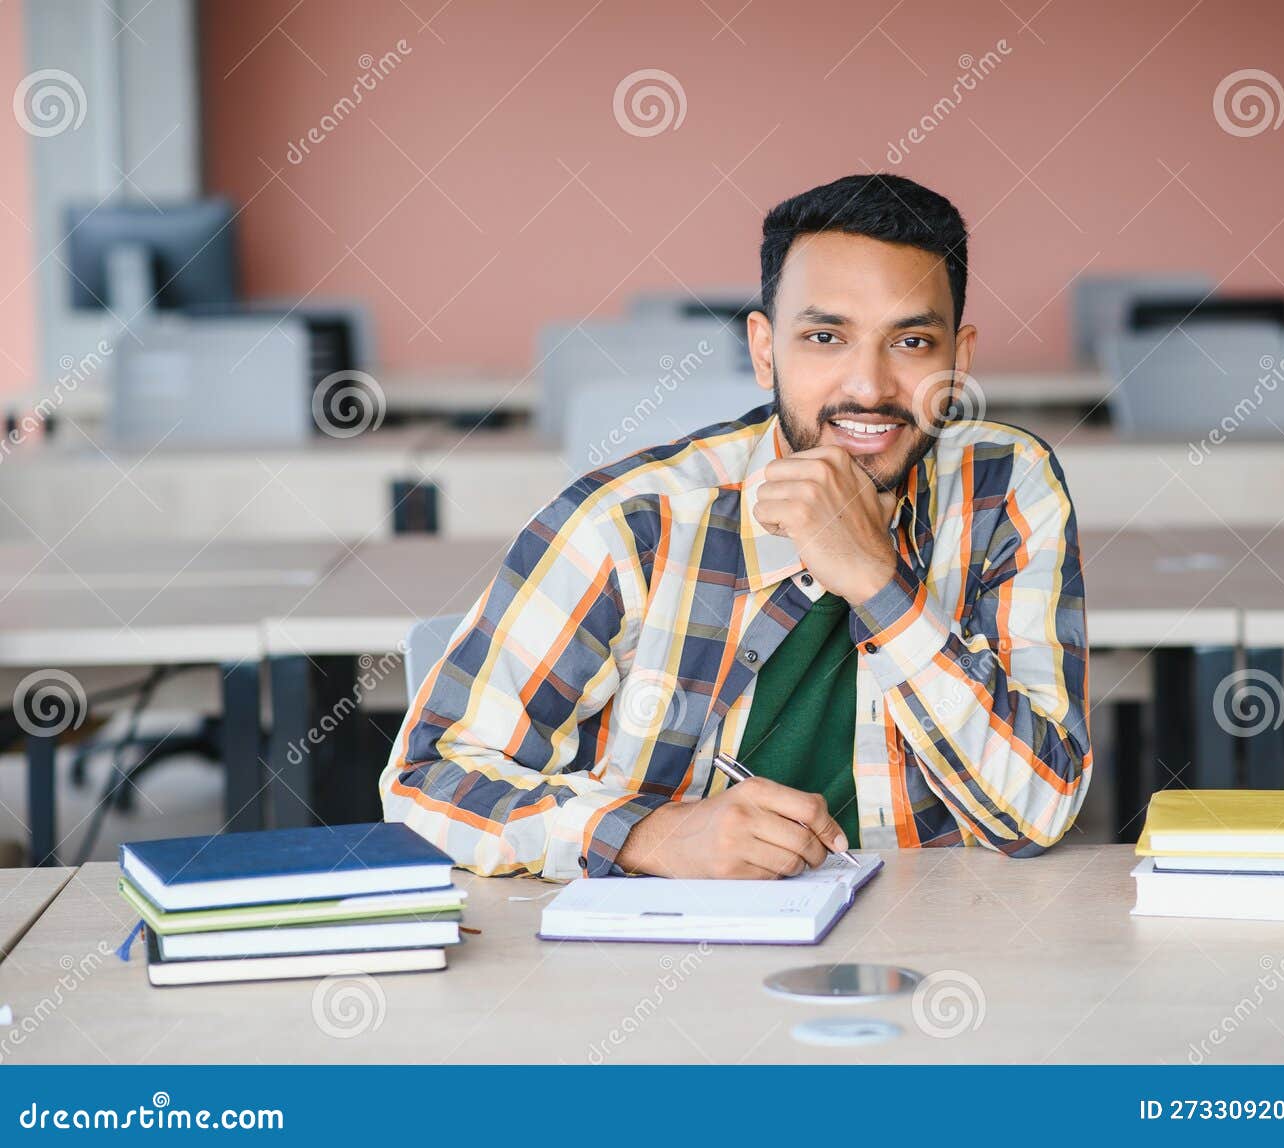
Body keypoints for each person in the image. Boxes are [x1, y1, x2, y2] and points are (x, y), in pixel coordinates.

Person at [380, 173, 1091, 880]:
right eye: (823, 336)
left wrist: (879, 580)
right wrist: (647, 836)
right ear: (763, 350)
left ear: (958, 360)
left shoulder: (1006, 489)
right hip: (664, 965)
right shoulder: (635, 523)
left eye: (910, 343)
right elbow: (423, 784)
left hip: (937, 955)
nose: (869, 387)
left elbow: (1036, 808)